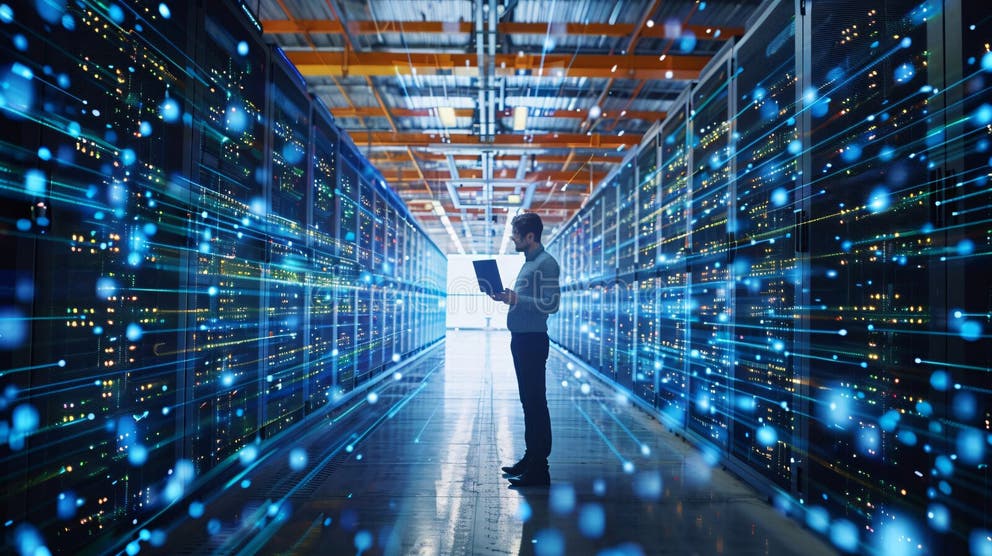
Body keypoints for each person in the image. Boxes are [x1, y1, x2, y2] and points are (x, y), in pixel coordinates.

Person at [489, 212, 560, 487]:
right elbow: (528, 300)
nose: (512, 239)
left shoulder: (546, 264)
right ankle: (531, 458)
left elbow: (551, 304)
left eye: (516, 235)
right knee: (528, 402)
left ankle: (540, 469)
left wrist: (517, 298)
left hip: (532, 341)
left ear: (530, 236)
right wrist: (507, 297)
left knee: (535, 403)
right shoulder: (529, 263)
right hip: (521, 339)